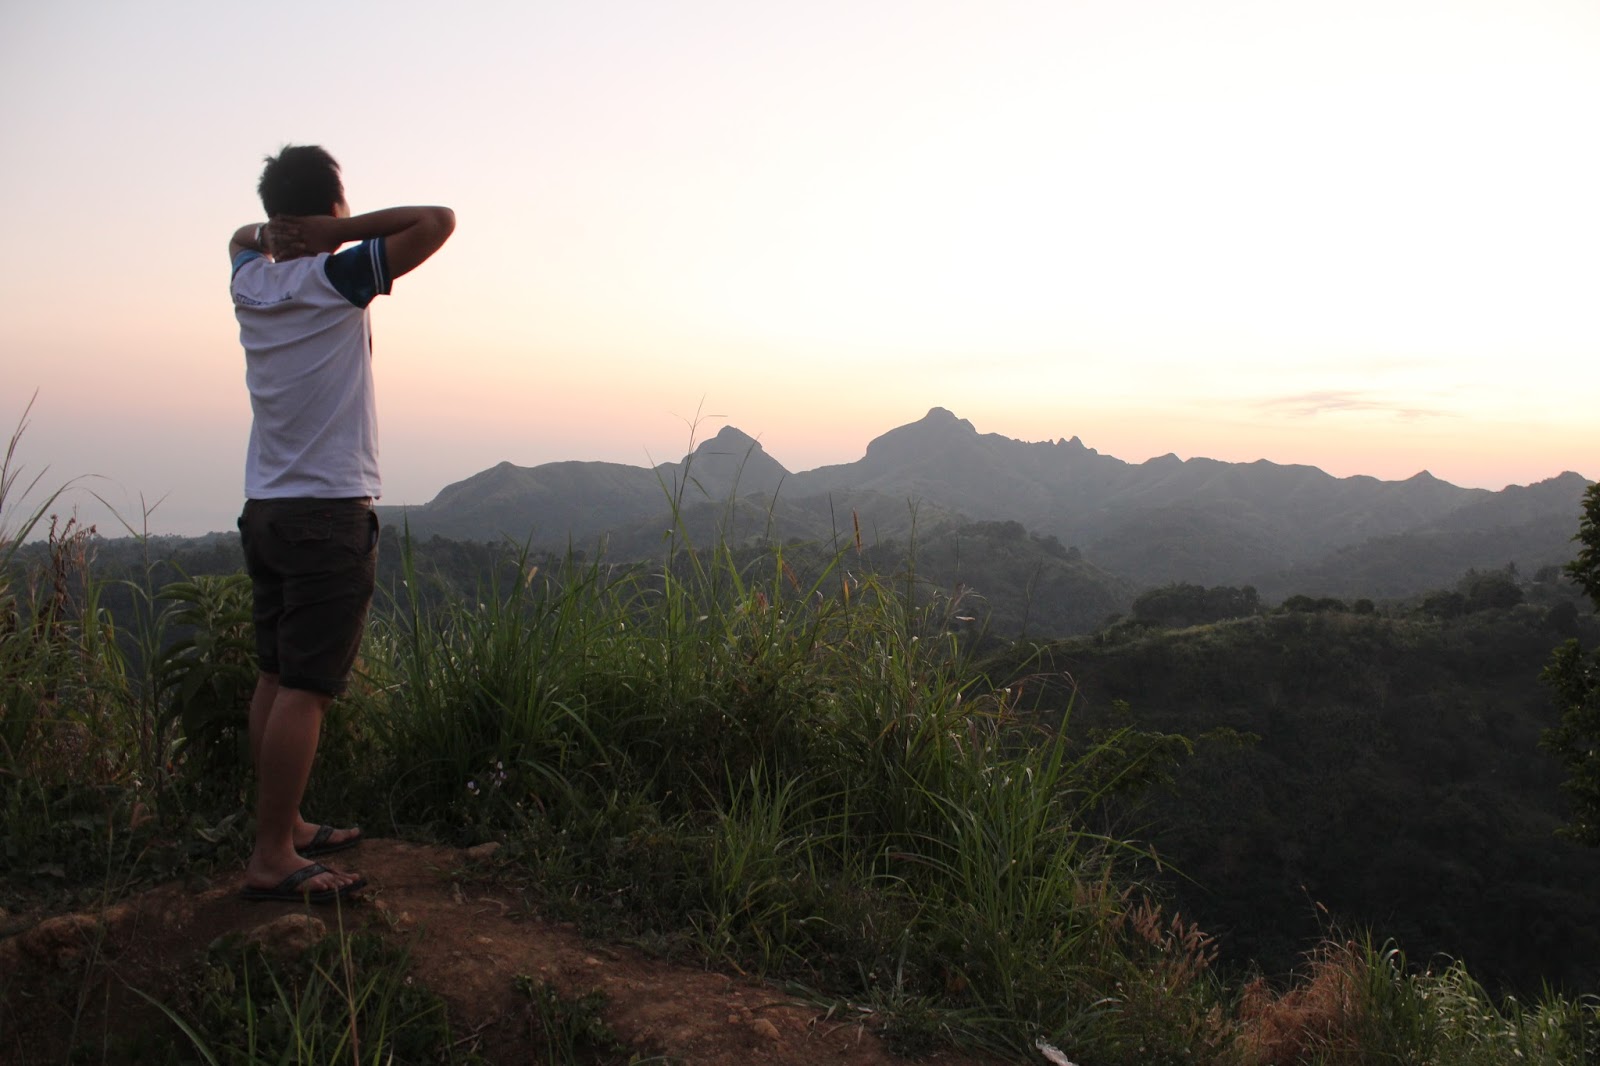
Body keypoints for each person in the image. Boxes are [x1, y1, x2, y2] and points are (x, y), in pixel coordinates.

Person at [229, 145, 454, 902]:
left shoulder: (252, 280)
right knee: (306, 688)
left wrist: (280, 234)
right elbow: (438, 220)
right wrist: (340, 234)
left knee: (273, 674)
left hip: (266, 509)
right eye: (341, 208)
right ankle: (271, 855)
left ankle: (283, 825)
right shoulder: (336, 275)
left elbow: (237, 237)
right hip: (326, 512)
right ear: (329, 211)